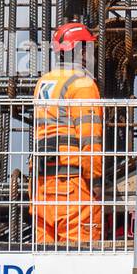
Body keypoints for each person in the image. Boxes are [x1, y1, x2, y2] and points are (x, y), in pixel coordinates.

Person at [31, 22, 104, 244]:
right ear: (80, 50)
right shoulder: (82, 84)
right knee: (79, 256)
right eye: (87, 48)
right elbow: (91, 139)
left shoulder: (44, 82)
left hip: (42, 184)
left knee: (44, 257)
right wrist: (96, 181)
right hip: (73, 187)